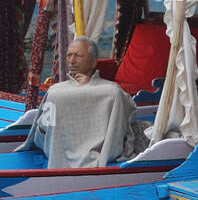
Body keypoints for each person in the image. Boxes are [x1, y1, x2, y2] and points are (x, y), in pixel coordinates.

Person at [19, 37, 140, 169]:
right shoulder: (113, 91)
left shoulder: (55, 92)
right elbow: (128, 116)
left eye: (78, 56)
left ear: (93, 62)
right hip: (102, 159)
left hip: (57, 160)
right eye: (69, 56)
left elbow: (42, 135)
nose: (71, 60)